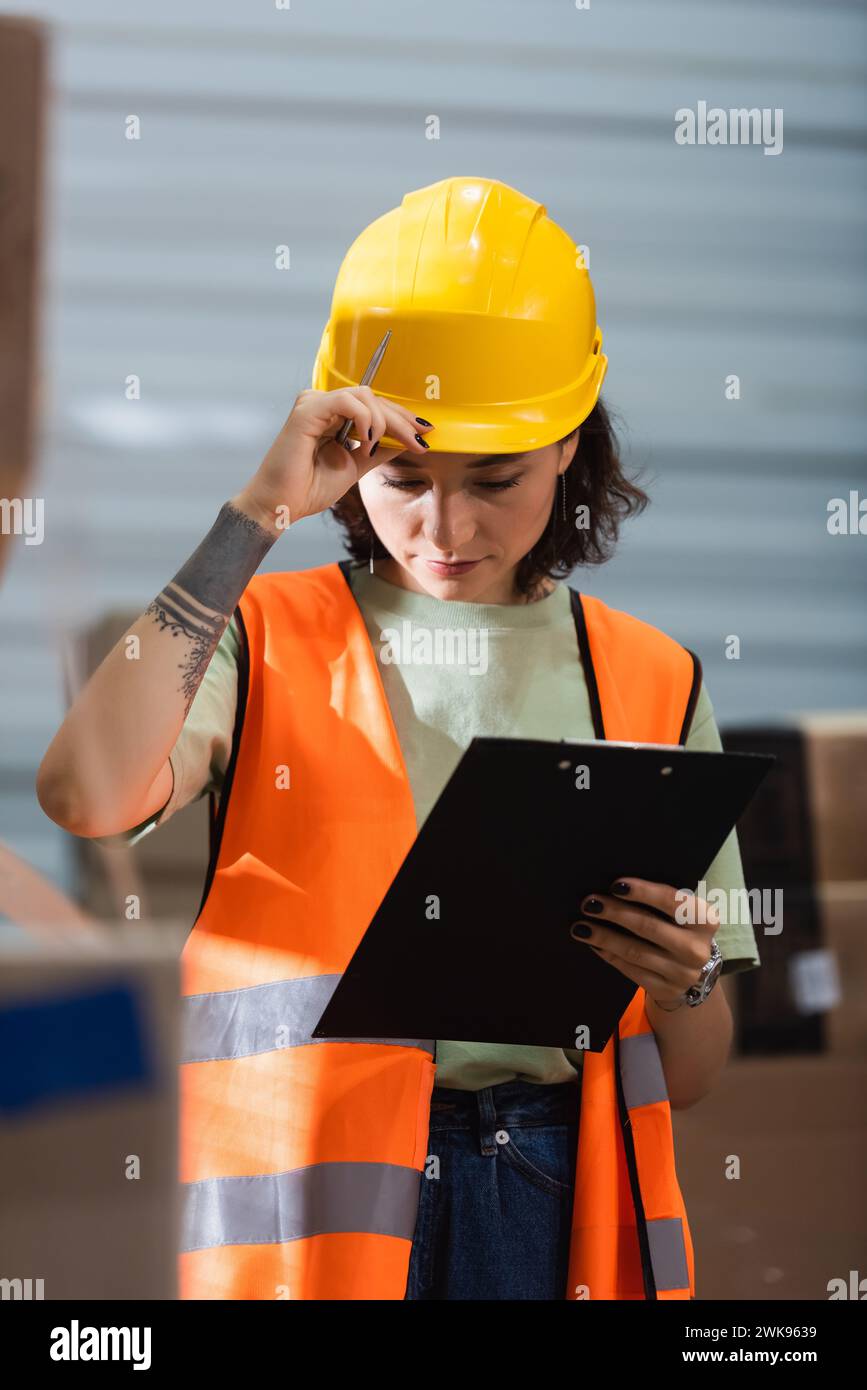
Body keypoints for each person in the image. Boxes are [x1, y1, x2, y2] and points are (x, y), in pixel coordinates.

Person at [37, 175, 760, 1302]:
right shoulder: (268, 637)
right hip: (304, 1218)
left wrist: (687, 978)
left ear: (569, 441)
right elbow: (85, 791)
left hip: (547, 1204)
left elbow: (695, 1072)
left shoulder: (650, 677)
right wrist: (254, 515)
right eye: (403, 476)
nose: (446, 527)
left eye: (495, 479)